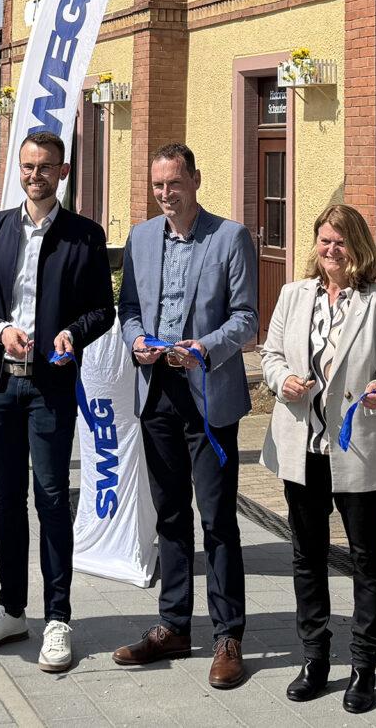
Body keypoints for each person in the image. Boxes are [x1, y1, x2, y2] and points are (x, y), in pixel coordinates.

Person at [0, 131, 114, 672]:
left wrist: (72, 332)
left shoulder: (84, 237)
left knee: (50, 499)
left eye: (45, 167)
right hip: (1, 383)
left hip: (50, 388)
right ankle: (10, 609)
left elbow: (102, 310)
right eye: (27, 166)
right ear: (16, 169)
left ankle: (58, 618)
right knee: (6, 500)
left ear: (63, 172)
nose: (34, 175)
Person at [114, 143, 258, 689]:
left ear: (196, 179)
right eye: (158, 186)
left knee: (217, 519)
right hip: (157, 395)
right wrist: (136, 343)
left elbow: (247, 317)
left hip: (208, 396)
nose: (166, 194)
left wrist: (206, 348)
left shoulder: (229, 238)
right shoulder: (142, 238)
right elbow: (128, 308)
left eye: (174, 183)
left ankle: (228, 636)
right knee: (170, 516)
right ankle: (174, 625)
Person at [260, 204, 376, 713]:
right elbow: (271, 354)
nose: (331, 251)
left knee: (367, 561)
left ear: (359, 247)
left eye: (340, 242)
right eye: (324, 241)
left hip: (359, 451)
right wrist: (283, 381)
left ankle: (364, 667)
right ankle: (314, 659)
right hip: (303, 448)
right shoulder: (292, 294)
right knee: (307, 556)